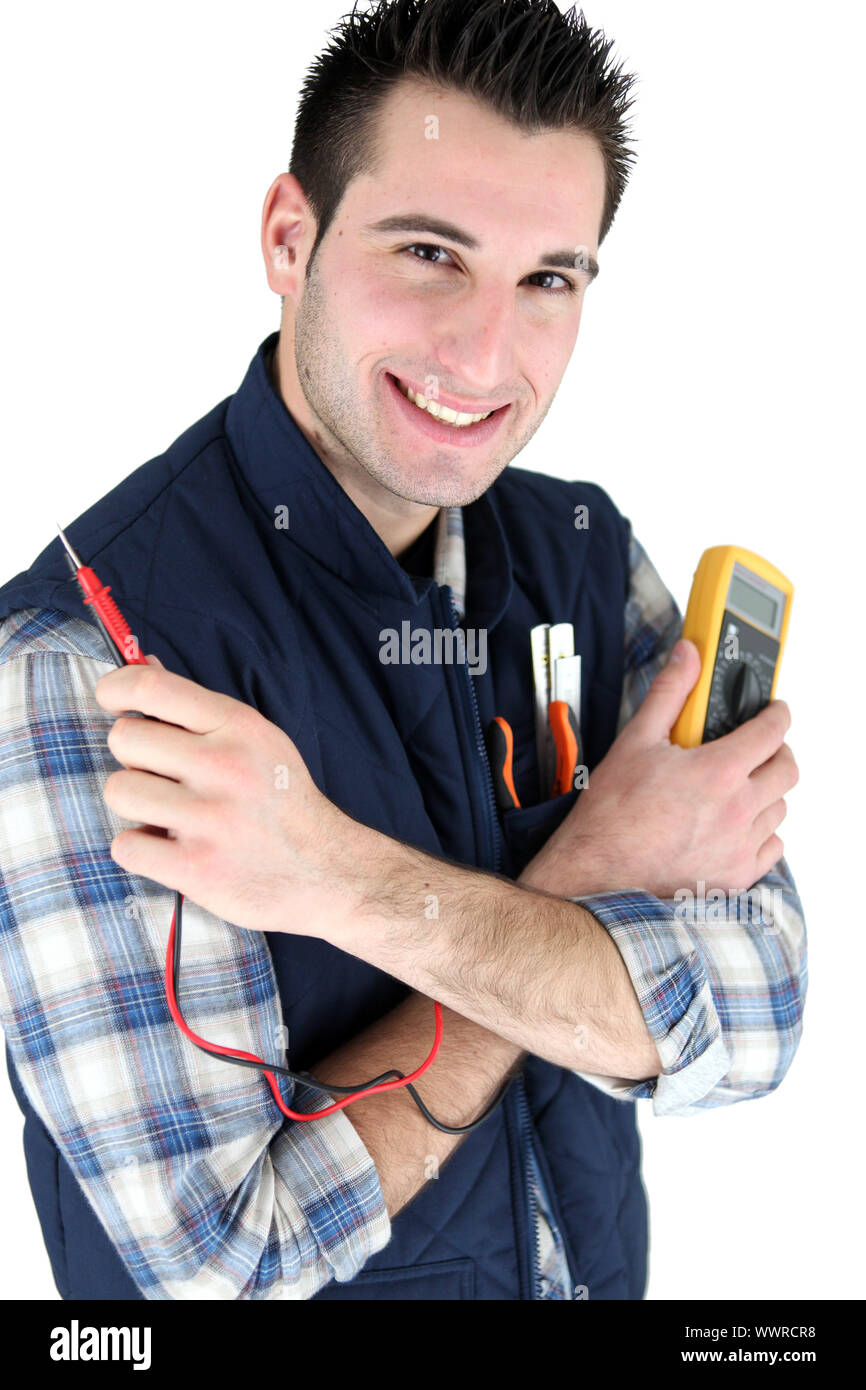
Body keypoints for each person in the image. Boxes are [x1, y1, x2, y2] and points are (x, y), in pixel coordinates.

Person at [0, 0, 805, 1301]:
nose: (486, 352)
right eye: (430, 252)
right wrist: (586, 888)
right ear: (288, 236)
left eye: (548, 277)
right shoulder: (86, 661)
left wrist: (336, 877)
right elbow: (224, 1265)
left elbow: (759, 1010)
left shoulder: (590, 559)